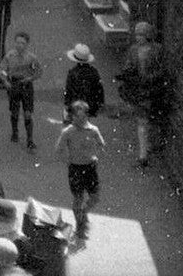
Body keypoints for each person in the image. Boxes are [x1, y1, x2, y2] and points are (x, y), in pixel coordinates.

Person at [116, 21, 164, 167]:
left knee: (149, 119)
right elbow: (128, 66)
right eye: (137, 34)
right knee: (142, 120)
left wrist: (150, 78)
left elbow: (161, 69)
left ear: (148, 35)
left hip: (152, 89)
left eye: (141, 35)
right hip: (139, 90)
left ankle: (148, 148)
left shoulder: (157, 50)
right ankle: (143, 154)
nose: (138, 38)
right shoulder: (133, 50)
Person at [55, 99, 105, 239]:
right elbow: (59, 149)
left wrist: (96, 155)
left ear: (87, 116)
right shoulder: (68, 132)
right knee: (78, 197)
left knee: (95, 197)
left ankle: (83, 213)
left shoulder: (93, 130)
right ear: (72, 117)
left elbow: (101, 144)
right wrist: (68, 161)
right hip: (75, 168)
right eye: (77, 117)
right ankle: (80, 226)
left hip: (90, 167)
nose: (80, 119)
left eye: (83, 116)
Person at [0, 32, 41, 150]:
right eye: (17, 42)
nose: (19, 45)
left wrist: (30, 78)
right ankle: (15, 132)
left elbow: (38, 71)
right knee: (14, 111)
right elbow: (2, 69)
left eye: (22, 43)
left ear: (27, 44)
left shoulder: (31, 58)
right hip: (14, 84)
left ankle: (30, 139)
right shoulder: (9, 56)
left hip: (26, 86)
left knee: (28, 113)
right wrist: (5, 80)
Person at [64, 44, 105, 119]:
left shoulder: (73, 73)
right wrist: (99, 104)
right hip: (91, 107)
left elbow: (69, 92)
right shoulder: (94, 72)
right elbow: (99, 90)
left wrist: (68, 106)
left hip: (76, 107)